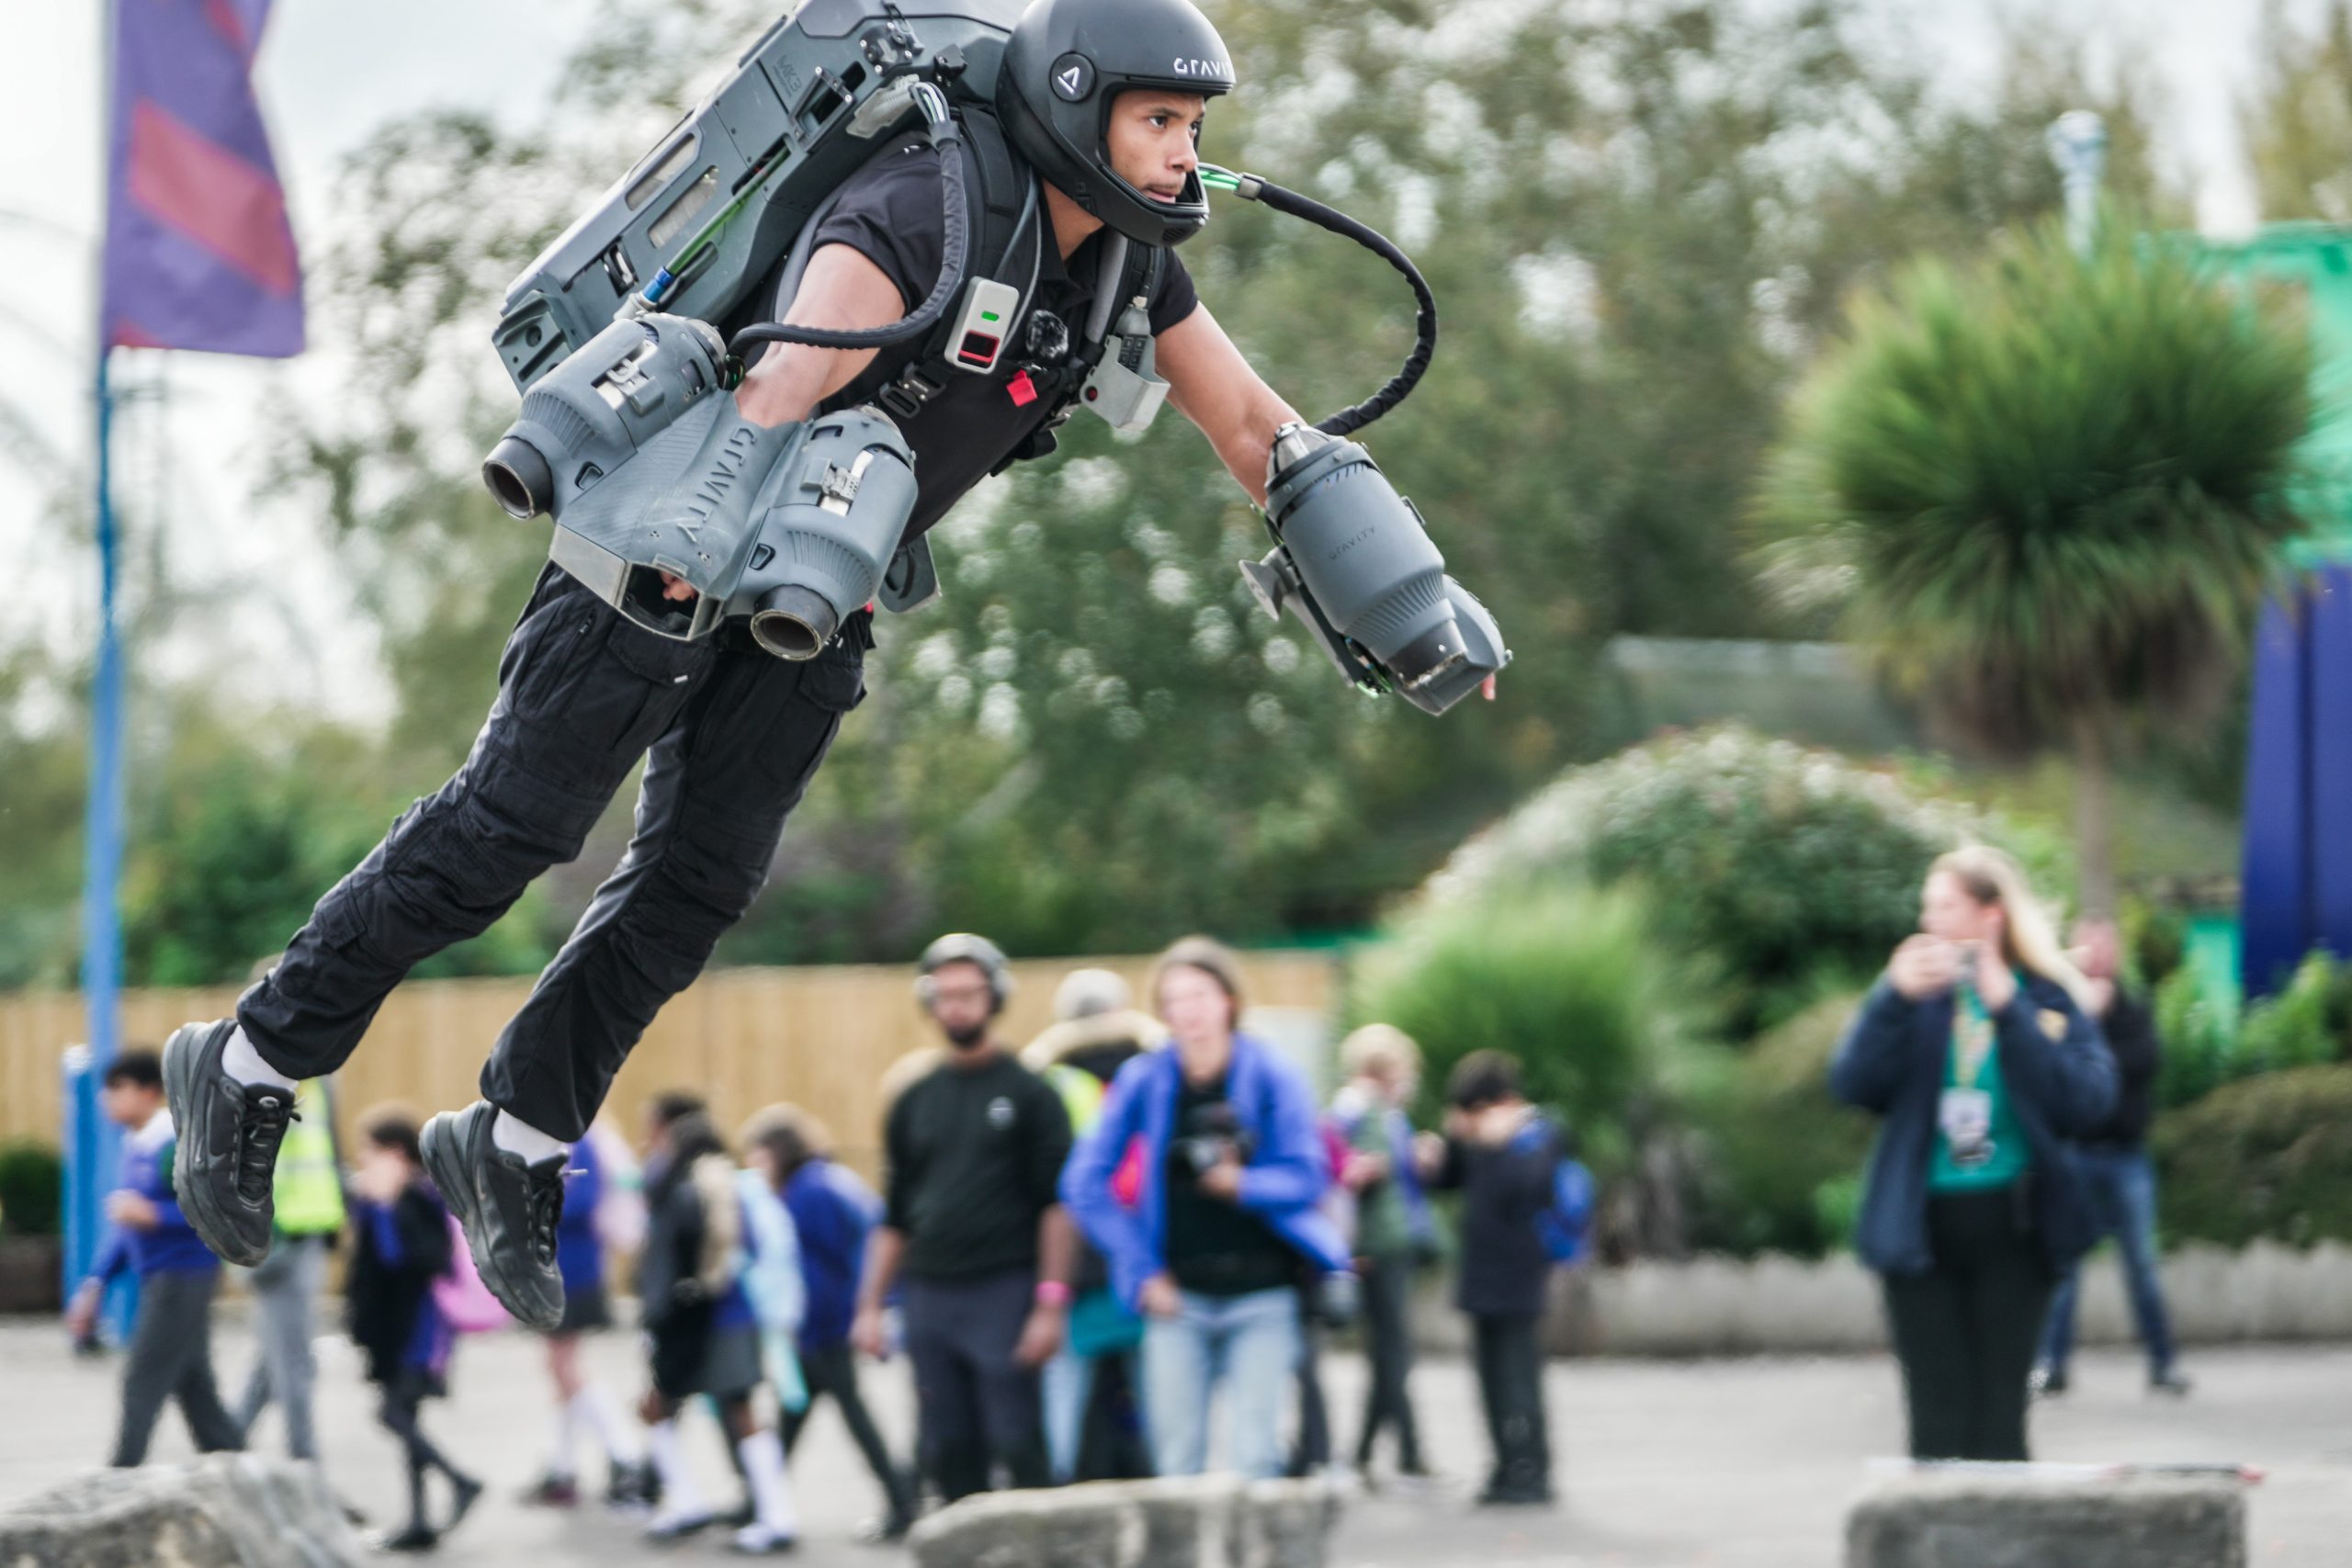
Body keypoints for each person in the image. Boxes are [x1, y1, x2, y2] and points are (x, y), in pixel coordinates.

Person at [159, 0, 1336, 1338]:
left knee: (698, 883)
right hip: (664, 551)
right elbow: (781, 384)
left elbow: (1252, 424)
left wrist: (1396, 591)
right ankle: (251, 1058)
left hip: (812, 594)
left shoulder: (1127, 267)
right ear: (1076, 106)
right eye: (1161, 121)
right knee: (511, 830)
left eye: (1193, 126)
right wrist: (691, 553)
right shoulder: (922, 207)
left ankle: (517, 1139)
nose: (1186, 153)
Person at [1828, 845, 2118, 1462]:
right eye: (1926, 907)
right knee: (1937, 1413)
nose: (1930, 920)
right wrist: (1890, 998)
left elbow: (2086, 1100)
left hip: (2014, 1228)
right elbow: (1852, 1083)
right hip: (1921, 1230)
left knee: (1998, 1418)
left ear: (1991, 915)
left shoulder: (2044, 996)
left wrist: (2008, 1007)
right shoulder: (1915, 1000)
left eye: (1946, 905)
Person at [1061, 936, 1351, 1482]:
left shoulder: (1272, 1074)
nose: (1188, 1009)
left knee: (1254, 1460)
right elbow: (1084, 1183)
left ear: (1229, 1001)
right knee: (1176, 1466)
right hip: (1178, 1301)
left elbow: (1309, 1174)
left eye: (1200, 994)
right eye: (1175, 999)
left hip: (1263, 1295)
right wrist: (1141, 1270)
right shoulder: (1144, 1080)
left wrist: (1241, 1184)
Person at [853, 934, 1075, 1501]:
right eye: (944, 994)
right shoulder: (914, 1098)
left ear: (994, 996)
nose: (956, 1005)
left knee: (1017, 1441)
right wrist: (871, 1306)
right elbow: (895, 1212)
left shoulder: (1031, 1094)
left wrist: (1050, 1304)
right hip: (930, 1295)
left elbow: (1057, 1206)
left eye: (968, 993)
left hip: (1005, 1289)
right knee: (946, 1448)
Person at [2034, 916, 2191, 1398]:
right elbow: (2050, 1069)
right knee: (2065, 1267)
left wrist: (2099, 1026)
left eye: (2105, 946)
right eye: (2088, 947)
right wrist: (2086, 1019)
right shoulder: (2057, 1009)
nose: (2097, 957)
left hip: (2125, 1157)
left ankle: (2162, 1365)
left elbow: (2143, 1063)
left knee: (2142, 1266)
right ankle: (2052, 1367)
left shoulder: (2133, 1007)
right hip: (2075, 1154)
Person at [65, 1048, 244, 1469]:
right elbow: (128, 1226)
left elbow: (215, 1209)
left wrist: (155, 1215)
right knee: (194, 1387)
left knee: (141, 1379)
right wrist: (96, 1284)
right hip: (158, 1277)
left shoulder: (175, 1143)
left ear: (148, 1092)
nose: (108, 1100)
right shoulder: (135, 1143)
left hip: (183, 1276)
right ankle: (242, 1474)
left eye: (117, 1090)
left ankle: (116, 1484)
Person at [1023, 968, 1166, 1483]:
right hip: (1151, 1263)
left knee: (1063, 1403)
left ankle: (1057, 1503)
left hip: (1074, 1270)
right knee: (1162, 1406)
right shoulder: (1157, 1070)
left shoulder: (1045, 1081)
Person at [636, 1107, 800, 1554]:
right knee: (740, 1411)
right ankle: (773, 1511)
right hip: (732, 1311)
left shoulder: (678, 1188)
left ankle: (703, 1503)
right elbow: (758, 1246)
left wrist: (653, 1318)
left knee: (658, 1406)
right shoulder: (735, 1184)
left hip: (691, 1319)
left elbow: (660, 1262)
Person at [753, 1106, 919, 1540]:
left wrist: (817, 1325)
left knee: (840, 1413)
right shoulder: (823, 1181)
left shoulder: (808, 1193)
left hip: (825, 1326)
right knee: (803, 1411)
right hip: (829, 1323)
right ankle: (760, 1496)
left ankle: (903, 1501)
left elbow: (826, 1268)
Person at [1418, 1051, 1563, 1506]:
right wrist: (1442, 1149)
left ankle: (1533, 1472)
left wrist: (1500, 1144)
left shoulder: (1538, 1137)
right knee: (1489, 1383)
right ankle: (1502, 1467)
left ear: (1502, 1103)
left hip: (1519, 1281)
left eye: (1475, 1112)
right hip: (1480, 1280)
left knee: (1520, 1381)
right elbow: (1446, 1182)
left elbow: (1525, 1189)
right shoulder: (1475, 1145)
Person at [345, 1110, 484, 1553]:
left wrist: (387, 1208)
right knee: (406, 1418)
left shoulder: (421, 1199)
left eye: (372, 1150)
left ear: (398, 1155)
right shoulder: (373, 1198)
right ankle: (420, 1520)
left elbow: (407, 1258)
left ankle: (461, 1480)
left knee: (394, 1414)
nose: (363, 1159)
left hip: (419, 1328)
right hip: (387, 1328)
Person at [522, 1120, 652, 1508]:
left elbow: (580, 1202)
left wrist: (526, 1202)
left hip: (573, 1270)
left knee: (564, 1368)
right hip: (557, 1268)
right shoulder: (559, 1141)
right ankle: (563, 1468)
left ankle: (625, 1453)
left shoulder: (578, 1143)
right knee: (559, 1369)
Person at [1330, 1024, 1436, 1483]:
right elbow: (1339, 1181)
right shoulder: (1354, 1111)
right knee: (1392, 1352)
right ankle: (1403, 1453)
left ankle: (1370, 1452)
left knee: (1389, 1353)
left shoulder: (1388, 1115)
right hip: (1375, 1247)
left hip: (1395, 1243)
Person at [233, 1077, 345, 1472]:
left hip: (304, 1235)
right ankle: (306, 1467)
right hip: (281, 1242)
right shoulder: (270, 1083)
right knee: (294, 1362)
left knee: (274, 1358)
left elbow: (328, 1154)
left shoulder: (316, 1086)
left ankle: (226, 1445)